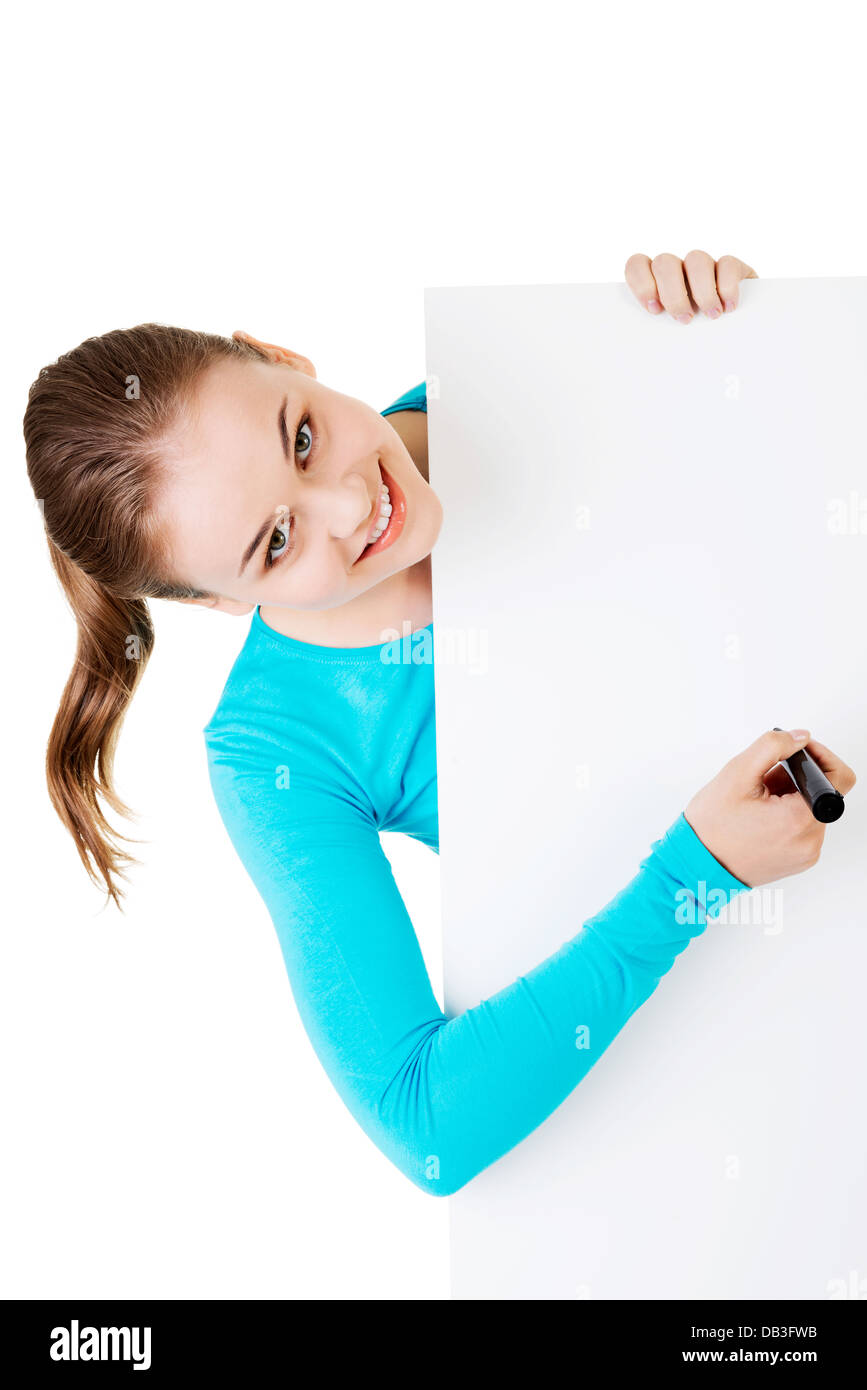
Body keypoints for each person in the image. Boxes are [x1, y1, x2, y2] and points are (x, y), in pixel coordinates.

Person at [23, 250, 856, 1195]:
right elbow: (425, 1126)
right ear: (220, 605)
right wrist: (695, 878)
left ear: (280, 355)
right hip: (774, 1032)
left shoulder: (540, 362)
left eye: (300, 438)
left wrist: (756, 328)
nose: (350, 503)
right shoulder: (274, 751)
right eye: (277, 542)